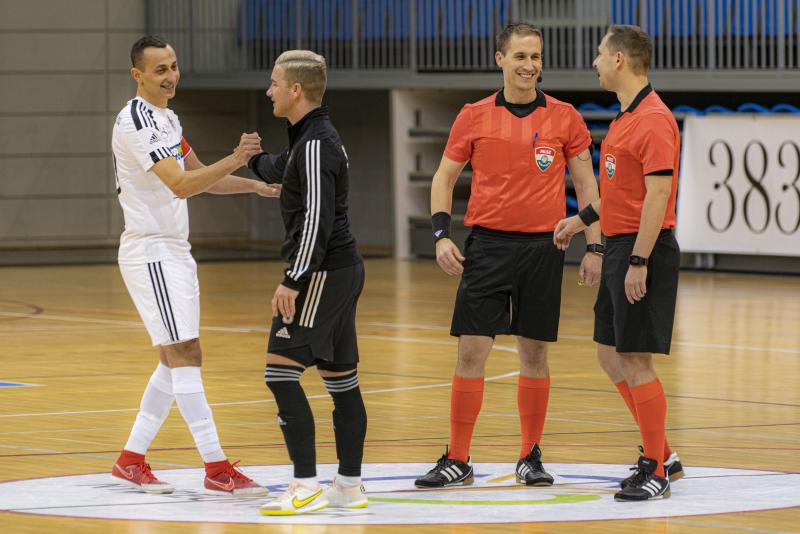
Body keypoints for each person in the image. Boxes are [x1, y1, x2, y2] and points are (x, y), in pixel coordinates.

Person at [414, 22, 603, 489]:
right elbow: (443, 178)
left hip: (545, 247)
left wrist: (595, 244)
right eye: (520, 56)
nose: (529, 66)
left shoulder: (565, 117)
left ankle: (529, 456)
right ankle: (458, 458)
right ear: (499, 59)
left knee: (534, 353)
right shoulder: (473, 116)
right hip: (488, 246)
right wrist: (441, 234)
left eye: (536, 57)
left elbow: (587, 186)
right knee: (471, 350)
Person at [111, 35, 277, 496]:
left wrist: (253, 186)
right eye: (160, 69)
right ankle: (216, 466)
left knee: (175, 356)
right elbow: (181, 186)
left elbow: (201, 176)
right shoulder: (138, 121)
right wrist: (238, 156)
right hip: (152, 253)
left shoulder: (168, 118)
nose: (171, 76)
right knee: (184, 354)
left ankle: (130, 459)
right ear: (137, 75)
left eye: (174, 66)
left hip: (174, 251)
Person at [554, 25, 684, 501]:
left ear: (621, 61)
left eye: (599, 54)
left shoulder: (652, 118)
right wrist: (578, 220)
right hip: (622, 245)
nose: (594, 62)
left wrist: (638, 260)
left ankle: (656, 468)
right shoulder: (625, 117)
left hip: (642, 249)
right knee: (610, 354)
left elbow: (658, 195)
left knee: (635, 358)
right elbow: (620, 194)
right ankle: (663, 451)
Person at [246, 50, 367, 515]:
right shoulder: (310, 139)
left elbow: (316, 216)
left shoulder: (316, 143)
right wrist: (250, 160)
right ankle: (350, 486)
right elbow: (281, 168)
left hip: (322, 272)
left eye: (275, 83)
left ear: (295, 89)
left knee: (280, 373)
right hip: (339, 269)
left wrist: (293, 279)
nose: (269, 90)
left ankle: (305, 486)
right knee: (341, 382)